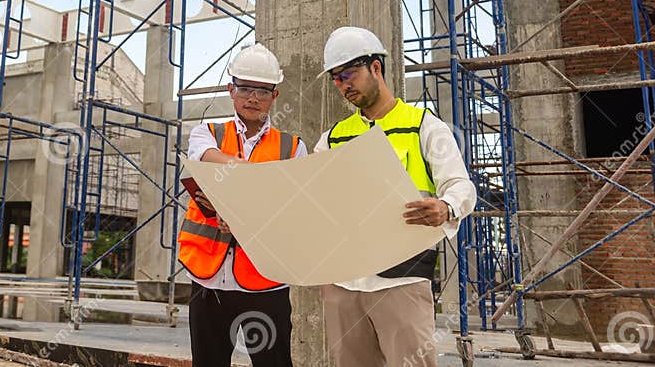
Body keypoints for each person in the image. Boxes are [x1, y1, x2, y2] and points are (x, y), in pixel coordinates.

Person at [317, 26, 476, 367]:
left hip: (402, 277)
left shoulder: (424, 126)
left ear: (376, 67)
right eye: (336, 78)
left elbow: (462, 186)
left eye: (349, 74)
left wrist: (446, 208)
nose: (344, 84)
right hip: (344, 283)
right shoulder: (332, 138)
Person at [177, 43, 307, 367]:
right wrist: (255, 184)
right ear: (231, 89)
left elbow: (296, 210)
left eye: (262, 91)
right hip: (209, 281)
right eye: (245, 88)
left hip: (265, 285)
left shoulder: (293, 148)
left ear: (274, 96)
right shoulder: (206, 133)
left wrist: (246, 209)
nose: (253, 98)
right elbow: (206, 159)